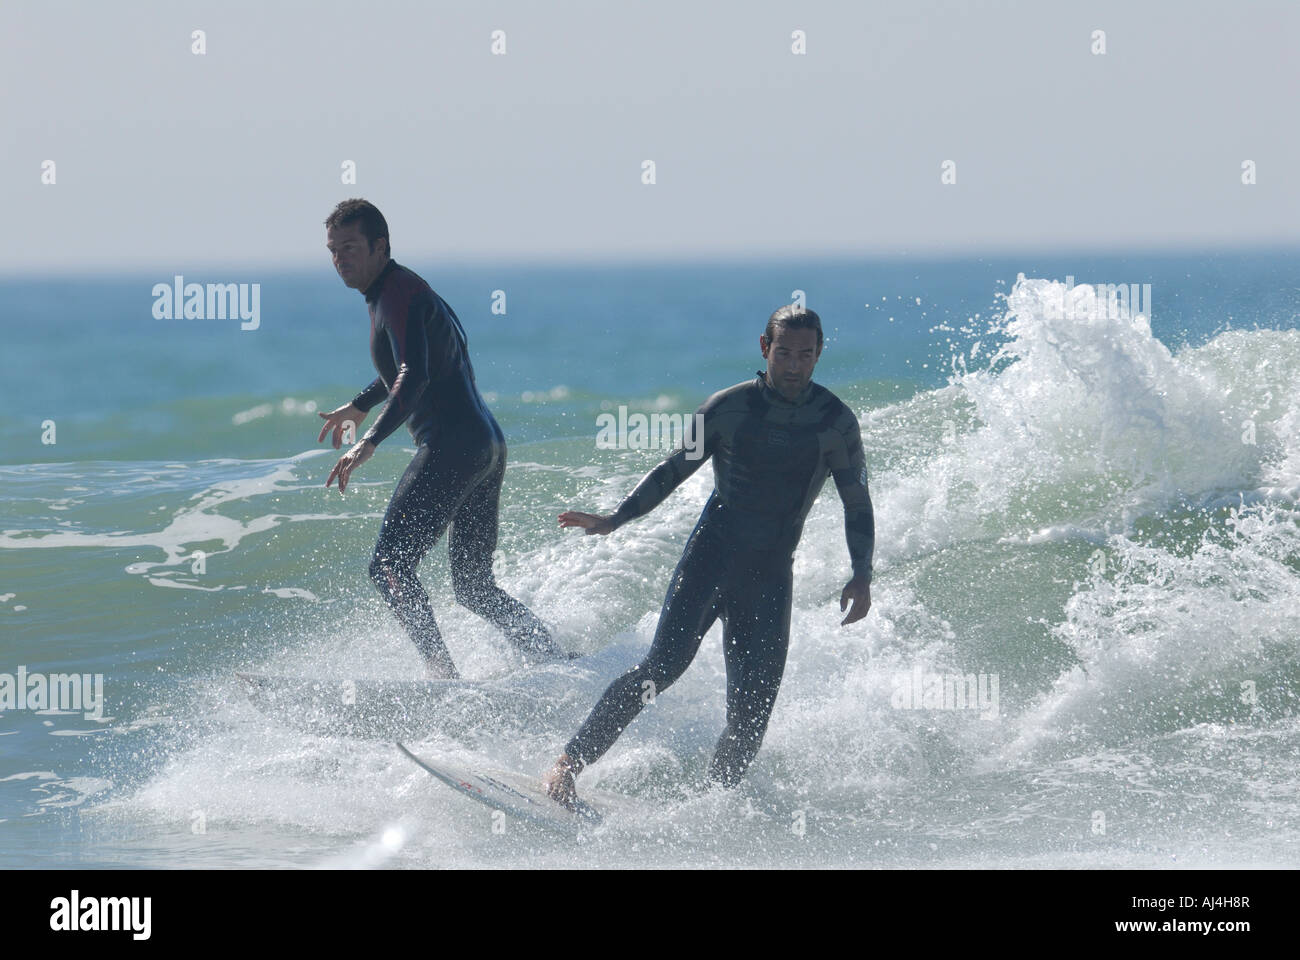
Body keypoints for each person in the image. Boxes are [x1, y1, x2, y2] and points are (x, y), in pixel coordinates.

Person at [545, 305, 874, 804]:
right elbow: (675, 467)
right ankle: (568, 765)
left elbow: (857, 503)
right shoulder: (728, 407)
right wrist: (616, 518)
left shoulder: (835, 422)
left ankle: (712, 807)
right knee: (661, 668)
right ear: (765, 348)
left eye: (806, 355)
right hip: (711, 558)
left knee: (751, 713)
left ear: (819, 354)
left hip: (769, 577)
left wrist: (861, 574)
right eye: (784, 352)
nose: (794, 365)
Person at [317, 198, 561, 678]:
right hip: (483, 445)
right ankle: (555, 659)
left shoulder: (396, 296)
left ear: (379, 246)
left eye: (349, 247)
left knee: (388, 567)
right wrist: (361, 404)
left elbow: (414, 374)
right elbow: (414, 365)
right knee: (473, 587)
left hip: (452, 446)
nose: (339, 258)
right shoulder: (402, 291)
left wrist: (370, 440)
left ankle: (441, 675)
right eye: (332, 250)